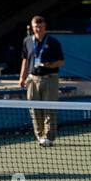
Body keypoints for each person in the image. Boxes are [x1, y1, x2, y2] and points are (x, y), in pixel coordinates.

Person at [17, 15, 64, 146]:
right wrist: (22, 77)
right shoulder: (27, 41)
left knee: (49, 109)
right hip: (32, 79)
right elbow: (25, 60)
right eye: (36, 27)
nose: (38, 29)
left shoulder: (53, 42)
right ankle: (40, 136)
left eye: (41, 26)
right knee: (34, 109)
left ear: (45, 27)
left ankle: (49, 137)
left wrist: (50, 65)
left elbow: (61, 61)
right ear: (32, 28)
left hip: (50, 79)